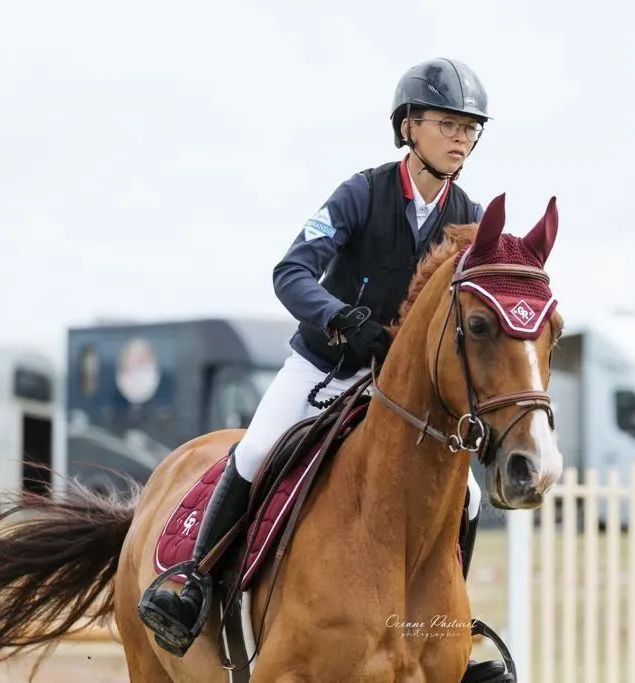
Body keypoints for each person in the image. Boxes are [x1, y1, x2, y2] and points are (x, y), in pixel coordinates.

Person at [140, 57, 511, 681]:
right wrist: (342, 319)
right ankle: (193, 584)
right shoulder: (361, 194)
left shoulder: (467, 213)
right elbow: (291, 273)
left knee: (467, 495)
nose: (461, 138)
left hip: (398, 393)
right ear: (408, 127)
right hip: (325, 369)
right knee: (256, 452)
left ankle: (447, 629)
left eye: (470, 128)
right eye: (447, 123)